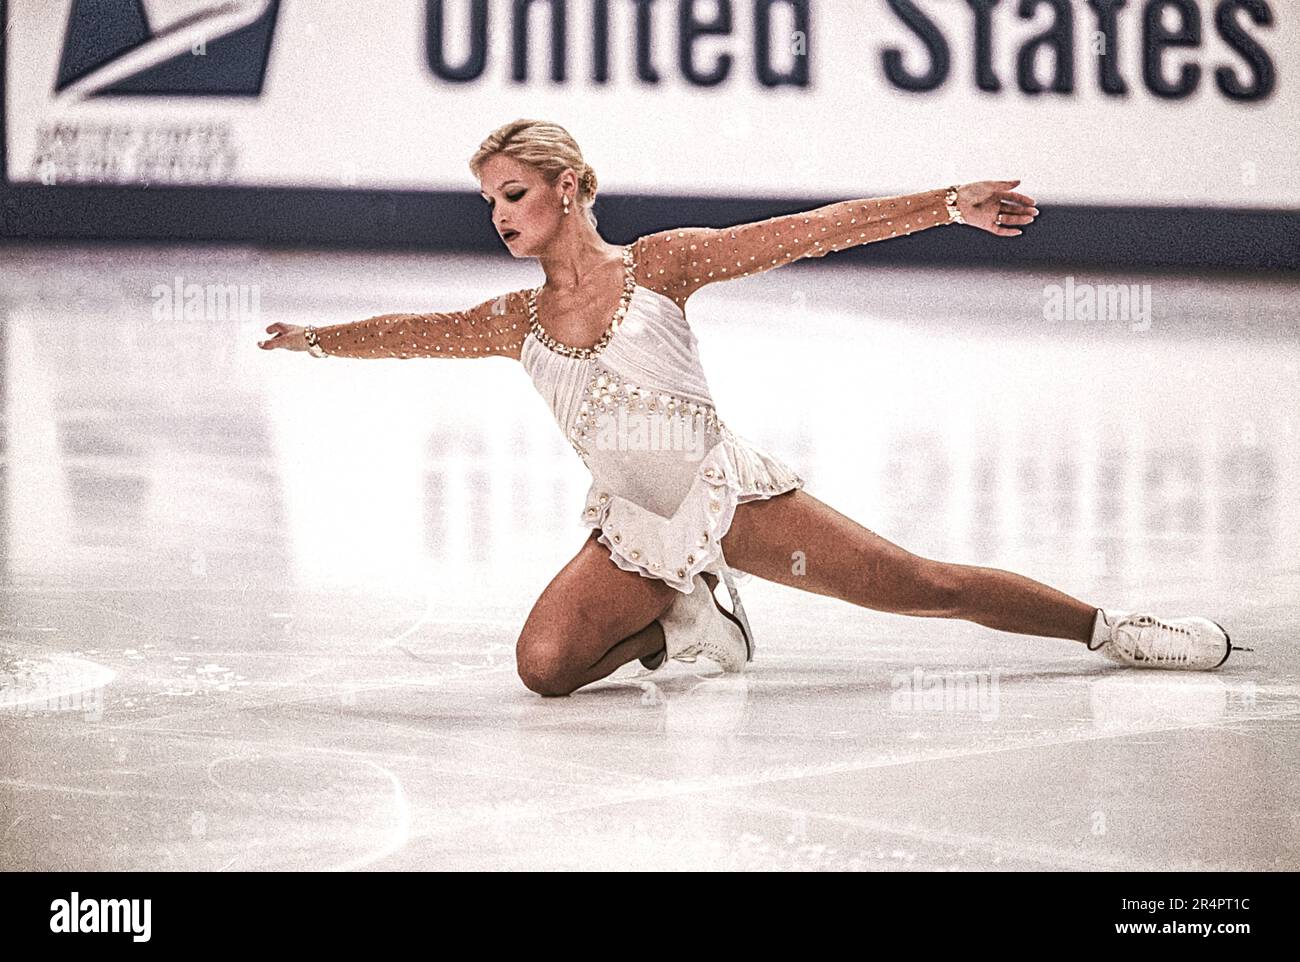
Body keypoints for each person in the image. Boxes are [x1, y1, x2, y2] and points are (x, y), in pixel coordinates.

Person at [259, 119, 1245, 696]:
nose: (500, 214)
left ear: (570, 186)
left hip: (728, 497)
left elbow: (808, 231)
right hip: (637, 531)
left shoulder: (663, 263)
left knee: (920, 582)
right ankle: (686, 619)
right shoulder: (516, 316)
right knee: (547, 665)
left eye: (513, 191)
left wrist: (945, 202)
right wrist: (315, 339)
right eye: (487, 202)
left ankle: (1110, 627)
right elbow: (411, 329)